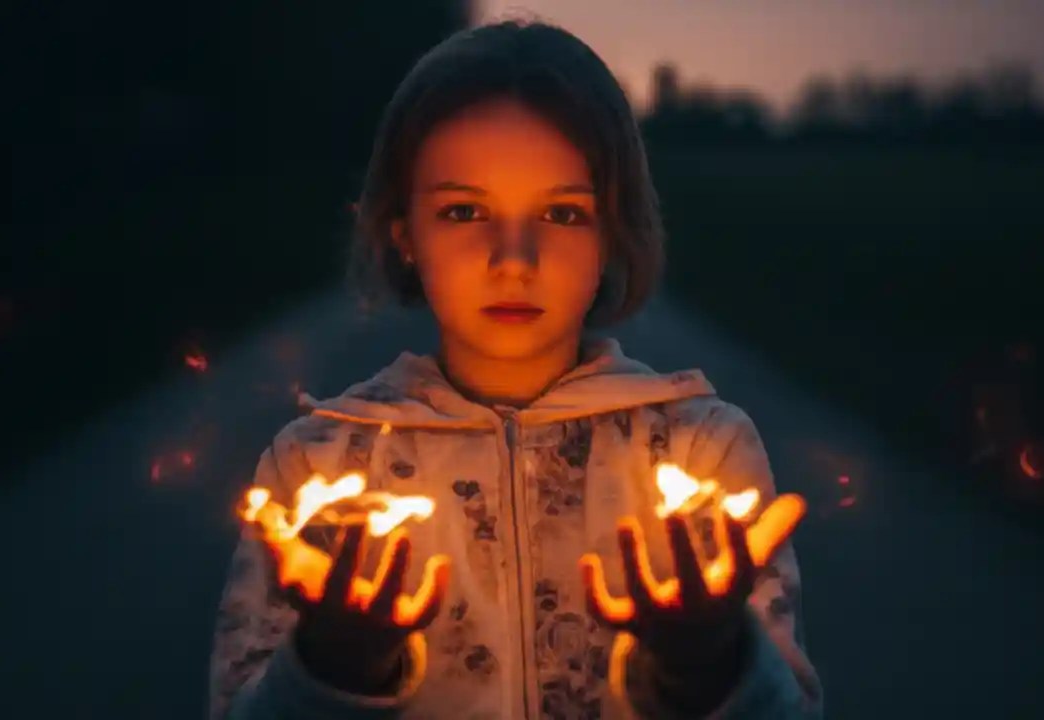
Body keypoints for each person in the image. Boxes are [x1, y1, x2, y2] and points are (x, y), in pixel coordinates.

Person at [208, 19, 822, 720]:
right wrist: (337, 664)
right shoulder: (314, 472)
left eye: (562, 214)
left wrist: (706, 664)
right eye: (464, 210)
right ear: (403, 231)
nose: (514, 258)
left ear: (612, 236)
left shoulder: (700, 455)